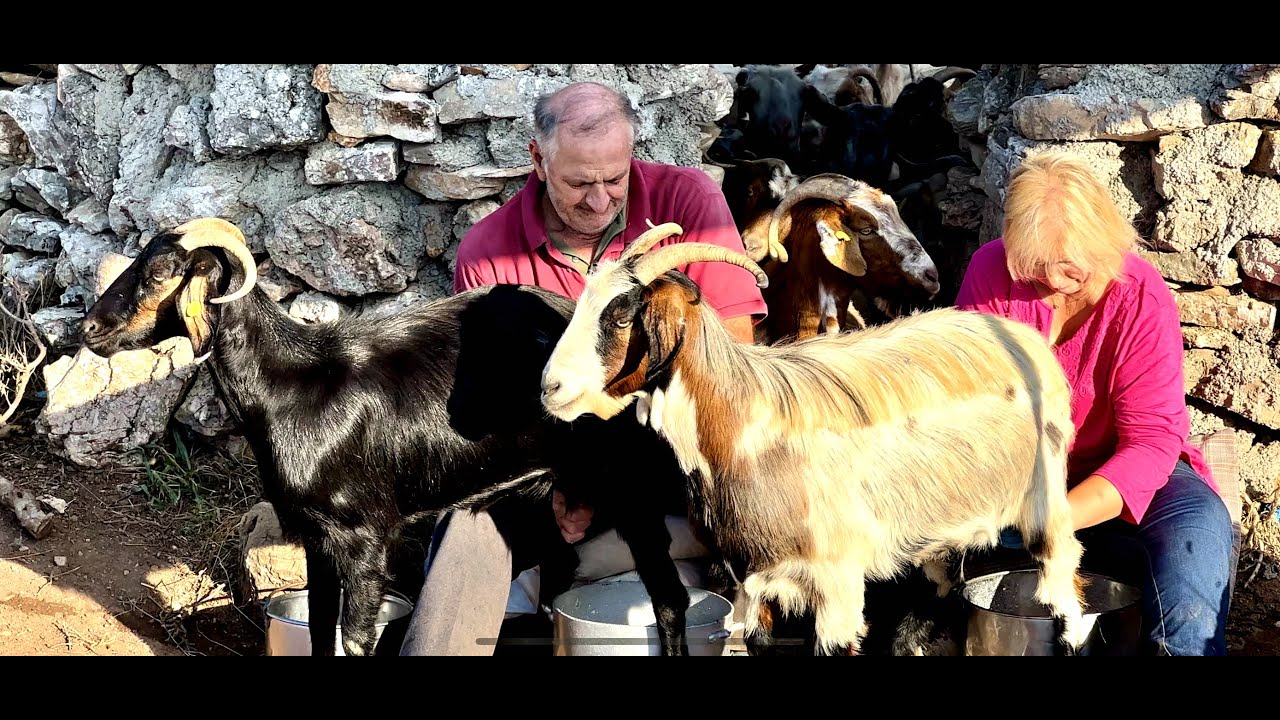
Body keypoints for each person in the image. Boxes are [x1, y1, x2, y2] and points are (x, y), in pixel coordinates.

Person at [398, 81, 768, 655]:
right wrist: (553, 492)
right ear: (538, 160)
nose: (599, 201)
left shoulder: (689, 203)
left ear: (631, 155)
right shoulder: (489, 251)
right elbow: (496, 410)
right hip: (553, 472)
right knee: (469, 526)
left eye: (614, 179)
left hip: (672, 470)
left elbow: (733, 366)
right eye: (578, 183)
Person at [953, 151, 1234, 656]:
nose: (1057, 283)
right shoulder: (990, 271)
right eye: (1037, 268)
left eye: (1071, 268)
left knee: (1196, 544)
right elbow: (967, 405)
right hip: (1018, 480)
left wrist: (1052, 517)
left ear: (1104, 244)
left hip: (1125, 475)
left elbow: (1151, 442)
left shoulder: (1139, 295)